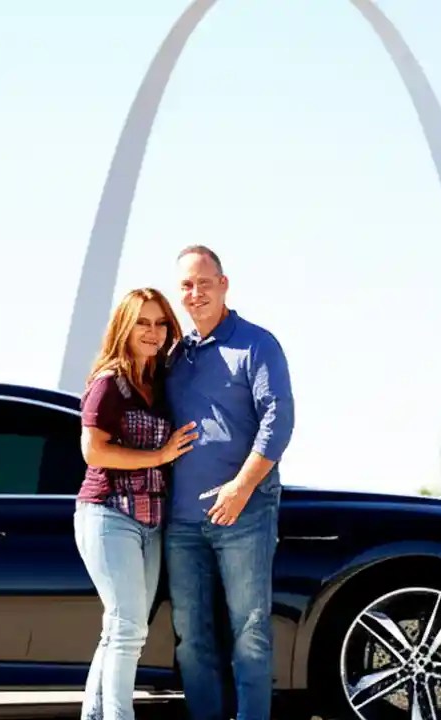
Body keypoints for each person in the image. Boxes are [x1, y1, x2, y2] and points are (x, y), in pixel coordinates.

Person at [163, 245, 295, 720]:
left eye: (203, 282)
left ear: (223, 284)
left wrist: (240, 487)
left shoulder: (258, 344)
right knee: (192, 637)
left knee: (250, 633)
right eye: (185, 285)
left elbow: (278, 421)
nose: (194, 293)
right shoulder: (175, 355)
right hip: (180, 522)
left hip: (245, 512)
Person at [73, 287, 200, 720]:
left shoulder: (159, 383)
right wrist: (159, 456)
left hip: (152, 519)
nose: (152, 331)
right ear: (124, 327)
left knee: (121, 629)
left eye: (160, 322)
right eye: (142, 322)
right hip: (108, 514)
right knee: (128, 626)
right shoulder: (110, 383)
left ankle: (95, 715)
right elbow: (95, 452)